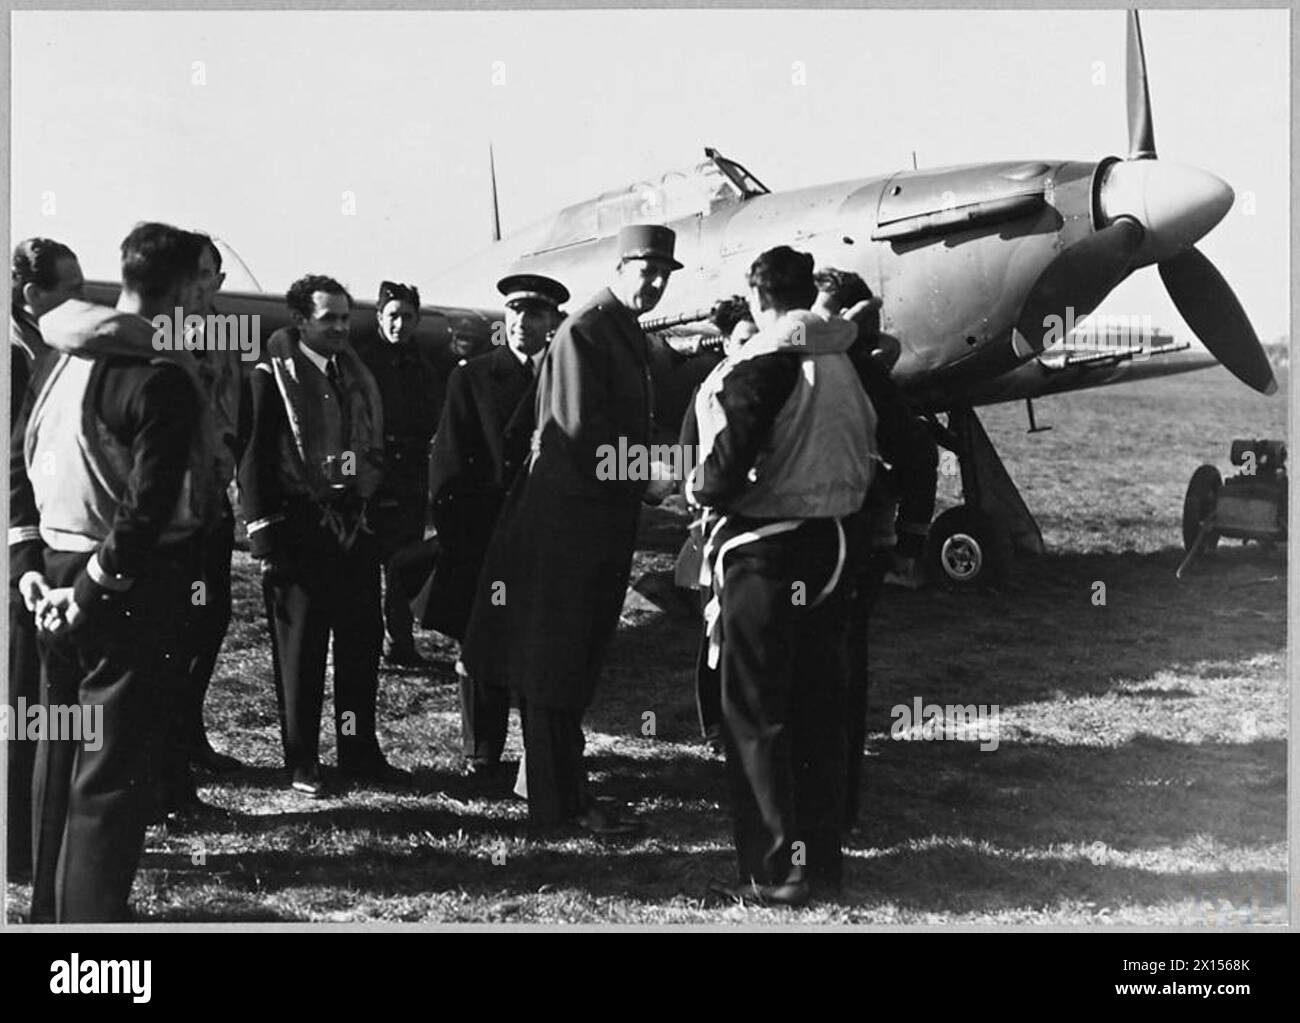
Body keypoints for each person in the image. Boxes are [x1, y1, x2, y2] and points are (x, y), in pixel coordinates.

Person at [12, 222, 216, 921]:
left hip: (52, 572)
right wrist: (93, 592)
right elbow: (146, 508)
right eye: (205, 287)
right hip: (125, 586)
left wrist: (27, 569)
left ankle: (48, 910)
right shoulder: (162, 376)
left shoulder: (60, 355)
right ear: (187, 288)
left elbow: (18, 462)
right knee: (111, 769)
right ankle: (88, 928)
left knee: (58, 745)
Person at [461, 225, 681, 835]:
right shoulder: (589, 330)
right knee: (555, 666)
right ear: (621, 266)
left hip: (591, 527)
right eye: (647, 271)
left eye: (665, 274)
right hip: (566, 531)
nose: (657, 284)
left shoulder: (618, 329)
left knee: (569, 666)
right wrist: (650, 476)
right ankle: (556, 809)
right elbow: (581, 439)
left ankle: (561, 796)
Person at [688, 245, 875, 906]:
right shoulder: (844, 356)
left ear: (759, 298)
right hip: (835, 546)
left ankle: (773, 870)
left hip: (766, 550)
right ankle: (820, 861)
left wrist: (695, 484)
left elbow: (720, 472)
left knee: (756, 714)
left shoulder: (768, 361)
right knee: (818, 711)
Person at [239, 274, 400, 797]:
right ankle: (303, 761)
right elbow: (254, 461)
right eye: (327, 317)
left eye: (344, 317)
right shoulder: (270, 379)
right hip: (298, 534)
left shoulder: (355, 375)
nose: (339, 327)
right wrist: (266, 537)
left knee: (359, 643)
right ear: (300, 321)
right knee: (302, 653)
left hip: (352, 531)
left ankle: (359, 752)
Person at [423, 272, 568, 779]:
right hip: (488, 536)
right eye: (514, 312)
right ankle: (482, 753)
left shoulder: (565, 379)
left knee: (539, 644)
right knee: (482, 642)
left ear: (552, 322)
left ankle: (541, 755)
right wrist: (462, 540)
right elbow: (447, 464)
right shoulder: (474, 377)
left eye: (535, 313)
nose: (522, 322)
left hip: (547, 536)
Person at [813, 268, 938, 828]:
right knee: (841, 662)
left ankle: (826, 796)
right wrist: (910, 539)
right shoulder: (862, 369)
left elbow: (915, 453)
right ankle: (834, 796)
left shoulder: (849, 370)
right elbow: (917, 454)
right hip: (855, 543)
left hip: (837, 543)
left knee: (827, 664)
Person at [160, 234, 248, 825]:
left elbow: (233, 406)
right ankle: (164, 762)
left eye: (211, 274)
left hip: (215, 500)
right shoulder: (159, 328)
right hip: (171, 509)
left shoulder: (228, 327)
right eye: (194, 273)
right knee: (172, 629)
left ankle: (189, 735)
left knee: (211, 615)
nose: (204, 283)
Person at [7, 238, 83, 881]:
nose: (80, 300)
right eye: (69, 288)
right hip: (22, 551)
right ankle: (19, 848)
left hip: (29, 547)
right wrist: (24, 553)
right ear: (34, 296)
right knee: (23, 700)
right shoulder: (17, 355)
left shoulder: (42, 347)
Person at [357, 280, 443, 667]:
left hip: (409, 474)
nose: (400, 324)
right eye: (393, 316)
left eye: (408, 317)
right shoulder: (361, 363)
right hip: (372, 472)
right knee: (361, 563)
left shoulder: (422, 365)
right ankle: (361, 641)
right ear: (379, 317)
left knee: (402, 562)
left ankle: (400, 642)